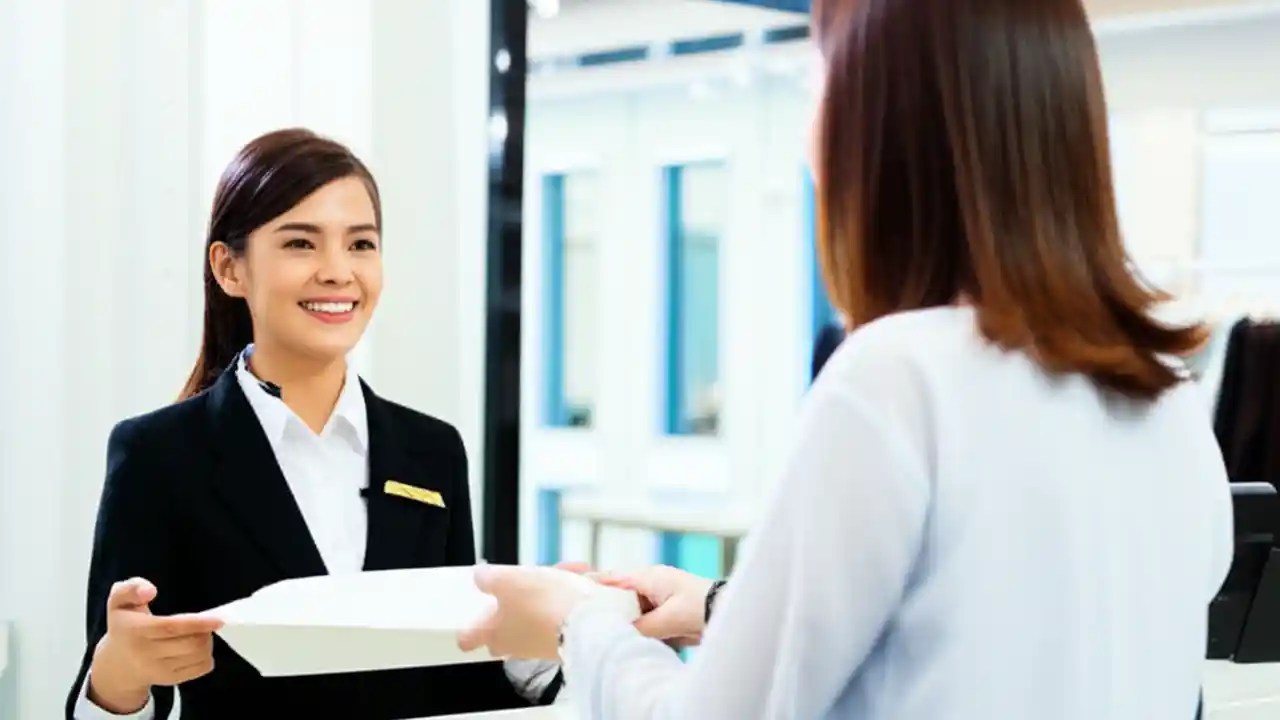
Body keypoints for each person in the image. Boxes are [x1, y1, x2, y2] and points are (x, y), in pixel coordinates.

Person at [456, 0, 1234, 718]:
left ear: (885, 131)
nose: (807, 138)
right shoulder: (1166, 399)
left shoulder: (898, 376)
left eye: (818, 84)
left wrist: (581, 625)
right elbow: (988, 633)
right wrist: (725, 608)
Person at [67, 129, 559, 719]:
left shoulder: (432, 451)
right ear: (229, 268)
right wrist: (118, 675)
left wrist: (545, 652)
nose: (337, 272)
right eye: (301, 243)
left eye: (360, 245)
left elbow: (452, 679)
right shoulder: (159, 454)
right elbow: (117, 682)